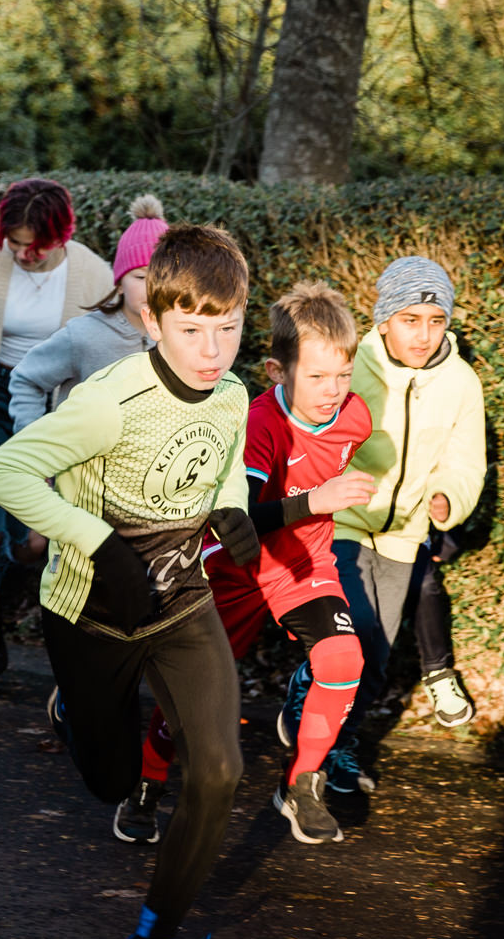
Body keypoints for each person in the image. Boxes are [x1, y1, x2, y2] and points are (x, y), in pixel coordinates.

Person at [0, 225, 257, 939]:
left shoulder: (233, 391)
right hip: (90, 616)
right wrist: (97, 542)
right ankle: (75, 709)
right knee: (109, 778)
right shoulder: (113, 401)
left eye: (229, 327)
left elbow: (226, 446)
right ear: (154, 323)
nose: (212, 349)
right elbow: (6, 469)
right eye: (193, 330)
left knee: (220, 770)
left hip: (180, 605)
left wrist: (232, 503)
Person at [196, 284, 376, 846]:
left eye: (343, 376)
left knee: (345, 658)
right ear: (277, 370)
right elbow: (243, 514)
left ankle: (302, 783)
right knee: (196, 695)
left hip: (305, 564)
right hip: (238, 566)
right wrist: (316, 501)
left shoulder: (356, 419)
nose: (333, 392)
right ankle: (149, 778)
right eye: (317, 378)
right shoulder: (259, 424)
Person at [0, 178, 114, 694]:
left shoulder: (90, 273)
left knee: (37, 539)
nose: (22, 255)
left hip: (56, 408)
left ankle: (7, 600)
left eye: (33, 246)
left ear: (62, 236)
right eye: (13, 244)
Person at [329, 257, 488, 781]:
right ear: (383, 321)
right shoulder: (350, 366)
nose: (424, 334)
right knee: (346, 640)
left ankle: (341, 746)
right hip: (344, 525)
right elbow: (316, 433)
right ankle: (311, 727)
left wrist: (447, 496)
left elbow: (466, 461)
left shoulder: (461, 382)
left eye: (436, 320)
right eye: (410, 319)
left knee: (374, 657)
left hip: (403, 536)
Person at [9, 197, 167, 432]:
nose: (152, 288)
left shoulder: (182, 337)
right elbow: (27, 379)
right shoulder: (84, 335)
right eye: (141, 277)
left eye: (164, 277)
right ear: (120, 283)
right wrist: (36, 445)